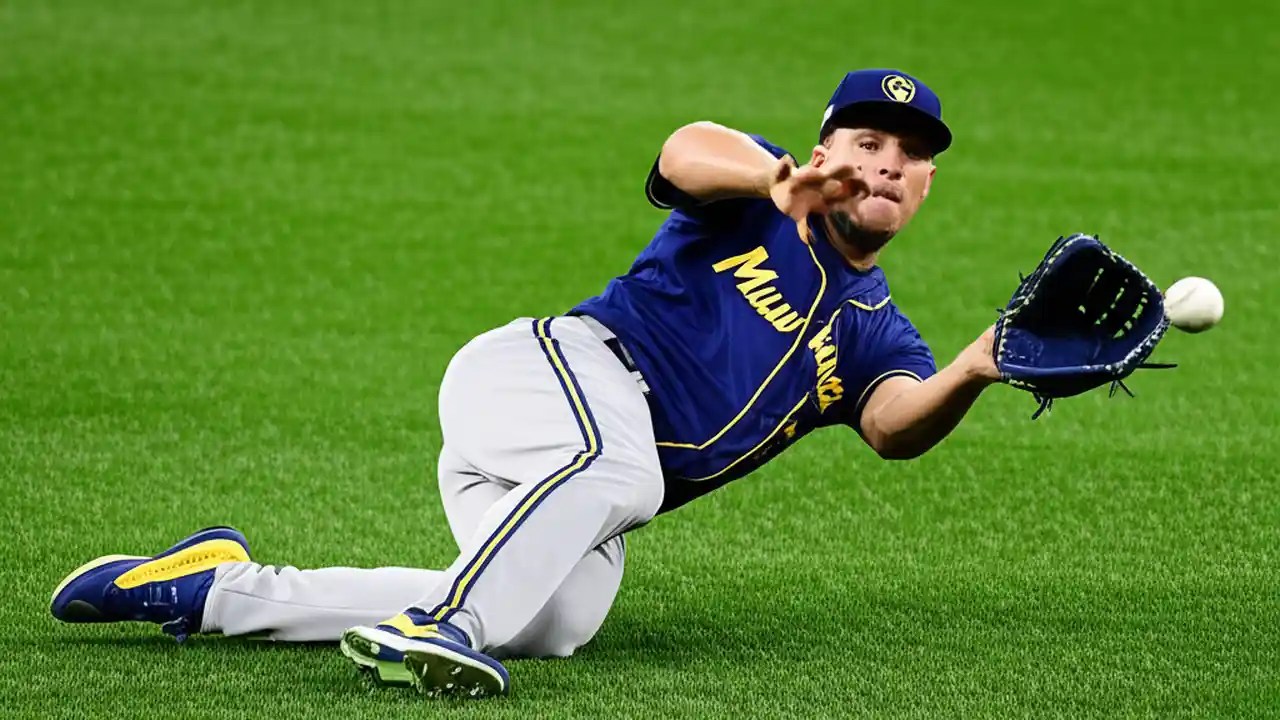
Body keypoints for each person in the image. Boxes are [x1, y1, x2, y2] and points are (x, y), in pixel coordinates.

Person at [50, 69, 1001, 699]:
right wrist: (771, 178)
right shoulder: (757, 193)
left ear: (926, 186)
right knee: (616, 480)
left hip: (563, 479)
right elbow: (684, 148)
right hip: (543, 380)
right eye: (868, 138)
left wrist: (976, 365)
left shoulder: (880, 330)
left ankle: (217, 590)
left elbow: (893, 426)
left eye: (910, 153)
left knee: (554, 622)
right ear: (826, 146)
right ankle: (448, 626)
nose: (887, 162)